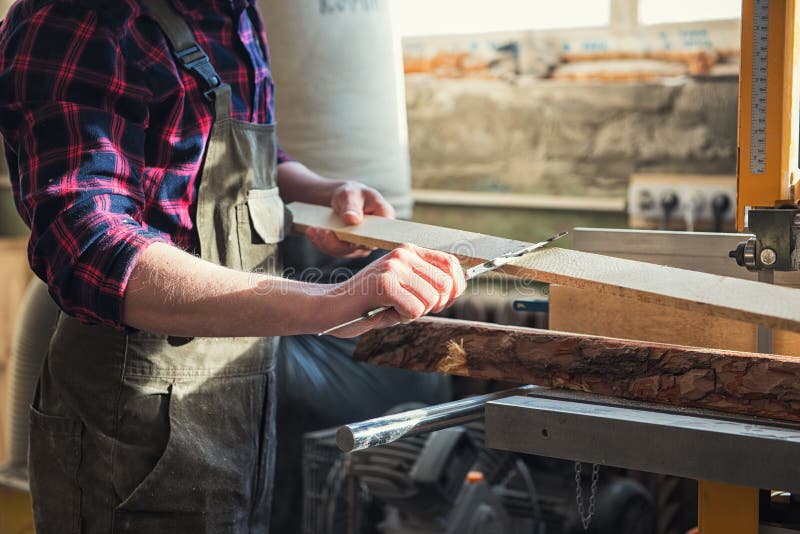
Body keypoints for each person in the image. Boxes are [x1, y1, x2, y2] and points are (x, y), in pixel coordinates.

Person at [0, 0, 466, 532]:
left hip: (241, 398)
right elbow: (88, 248)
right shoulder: (79, 17)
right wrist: (328, 305)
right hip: (131, 422)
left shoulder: (238, 14)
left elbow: (242, 155)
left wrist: (322, 193)